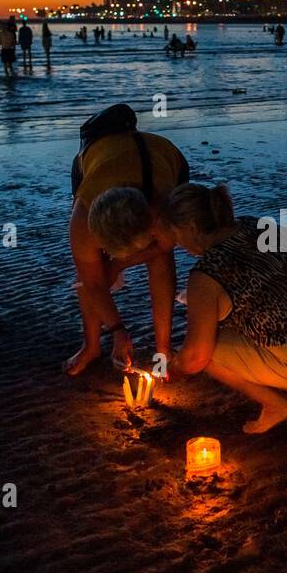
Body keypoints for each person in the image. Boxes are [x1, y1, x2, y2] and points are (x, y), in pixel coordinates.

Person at [164, 183, 287, 434]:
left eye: (176, 235)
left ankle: (276, 404)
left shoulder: (207, 274)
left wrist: (173, 369)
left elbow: (194, 358)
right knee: (256, 309)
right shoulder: (254, 224)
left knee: (206, 351)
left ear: (191, 228)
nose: (178, 244)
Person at [65, 103, 191, 376]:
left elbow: (165, 246)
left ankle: (164, 348)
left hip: (164, 157)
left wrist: (119, 265)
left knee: (160, 259)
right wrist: (118, 332)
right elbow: (94, 282)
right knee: (87, 270)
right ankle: (91, 346)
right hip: (98, 153)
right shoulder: (82, 217)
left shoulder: (163, 207)